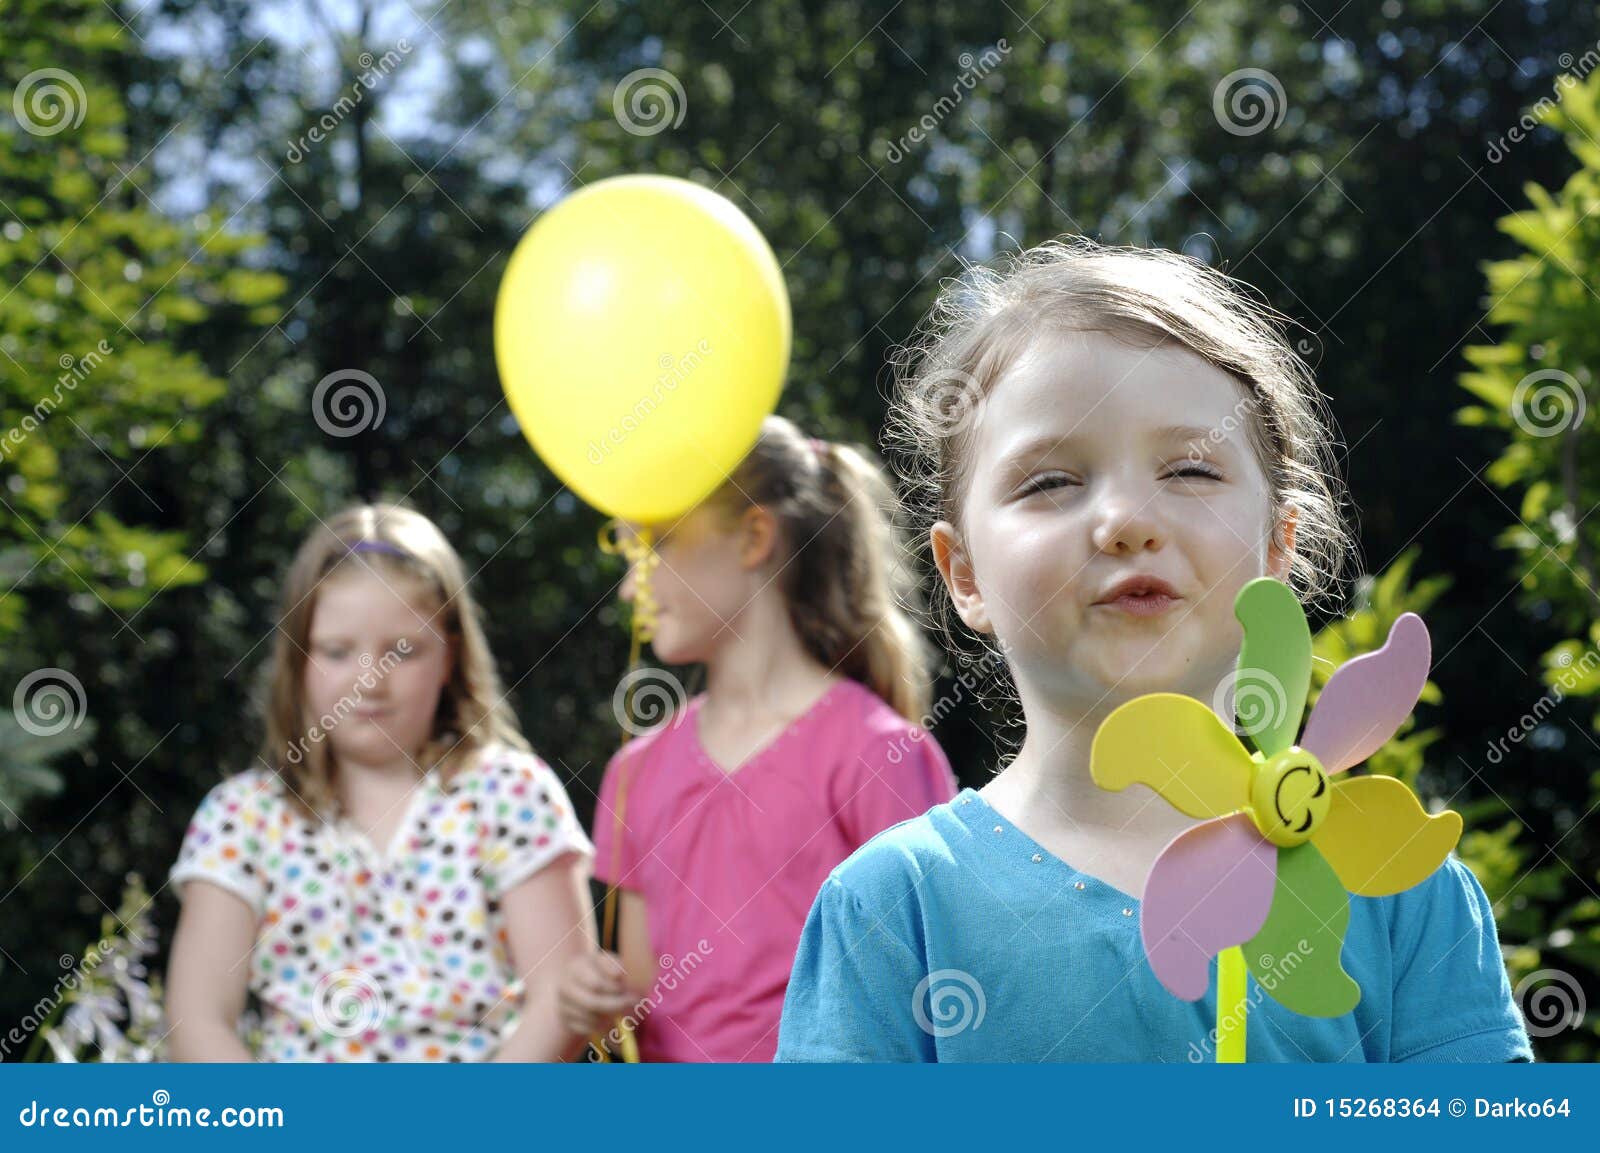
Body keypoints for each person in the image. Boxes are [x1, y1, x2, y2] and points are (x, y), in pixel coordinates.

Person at [775, 238, 1533, 1062]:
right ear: (965, 576)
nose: (1129, 518)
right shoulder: (892, 909)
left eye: (1191, 470)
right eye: (1051, 482)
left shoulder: (1399, 884)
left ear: (1278, 545)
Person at [558, 415, 958, 1061]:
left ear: (753, 536)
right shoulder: (634, 769)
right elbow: (636, 1010)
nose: (632, 586)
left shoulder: (879, 753)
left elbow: (928, 1001)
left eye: (654, 546)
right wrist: (593, 1005)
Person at [166, 502, 595, 1061]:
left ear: (451, 655)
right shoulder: (242, 819)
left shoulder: (510, 795)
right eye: (337, 652)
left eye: (403, 650)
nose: (369, 680)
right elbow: (198, 1022)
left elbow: (561, 1002)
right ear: (297, 663)